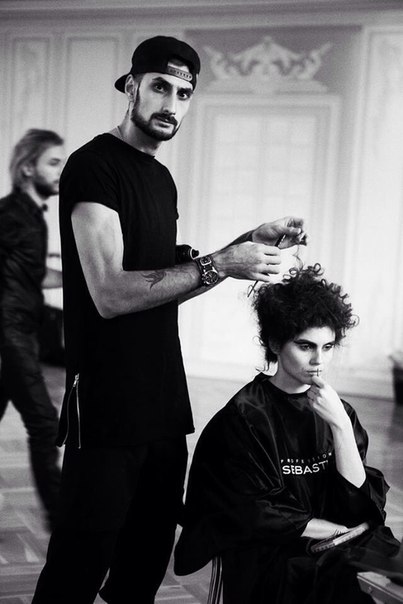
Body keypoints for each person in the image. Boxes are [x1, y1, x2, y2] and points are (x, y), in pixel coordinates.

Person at [31, 35, 307, 604]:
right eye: (161, 87)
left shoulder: (160, 178)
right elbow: (111, 293)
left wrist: (245, 244)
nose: (172, 104)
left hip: (161, 401)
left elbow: (162, 287)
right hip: (106, 407)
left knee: (145, 563)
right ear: (132, 86)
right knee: (78, 567)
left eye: (184, 94)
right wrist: (222, 263)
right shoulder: (93, 166)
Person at [174, 263, 400, 604]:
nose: (319, 360)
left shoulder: (339, 411)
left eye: (328, 347)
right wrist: (337, 531)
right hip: (270, 557)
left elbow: (357, 504)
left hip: (335, 544)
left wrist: (340, 426)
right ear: (275, 343)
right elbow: (252, 513)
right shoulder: (244, 418)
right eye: (306, 346)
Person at [0, 129, 64, 531]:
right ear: (27, 168)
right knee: (44, 423)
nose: (61, 171)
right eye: (53, 163)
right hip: (10, 334)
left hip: (21, 331)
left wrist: (90, 277)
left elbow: (34, 274)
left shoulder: (31, 215)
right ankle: (61, 519)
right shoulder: (10, 214)